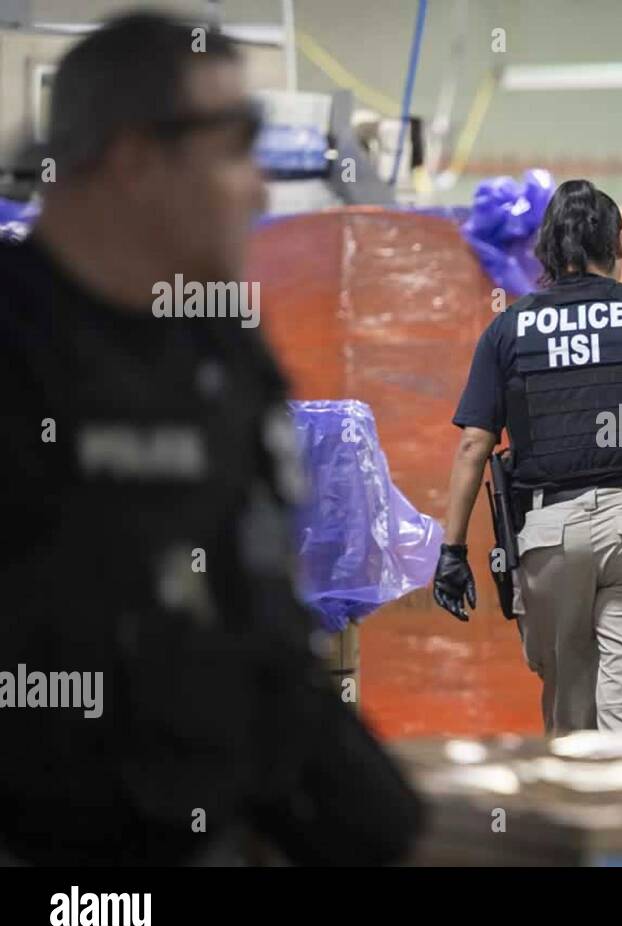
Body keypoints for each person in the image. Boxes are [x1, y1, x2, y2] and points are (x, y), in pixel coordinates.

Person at [0, 12, 421, 864]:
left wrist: (389, 832)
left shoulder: (222, 356)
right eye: (236, 150)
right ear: (132, 159)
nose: (260, 191)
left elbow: (265, 642)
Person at [435, 179, 622, 734]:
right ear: (616, 245)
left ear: (547, 247)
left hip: (551, 536)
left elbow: (475, 444)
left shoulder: (509, 328)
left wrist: (451, 550)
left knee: (571, 723)